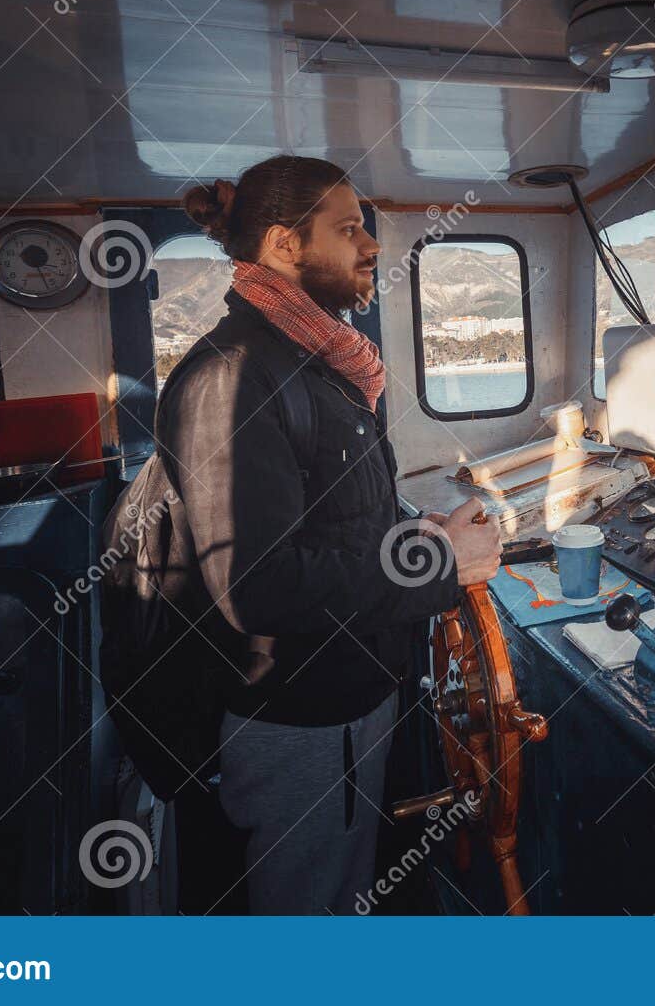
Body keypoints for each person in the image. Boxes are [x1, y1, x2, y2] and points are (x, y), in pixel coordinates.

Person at [159, 155, 501, 913]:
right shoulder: (235, 376)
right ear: (285, 246)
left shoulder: (317, 367)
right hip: (303, 722)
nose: (371, 247)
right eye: (349, 230)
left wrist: (427, 532)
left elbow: (350, 520)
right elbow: (258, 585)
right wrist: (442, 568)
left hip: (355, 701)